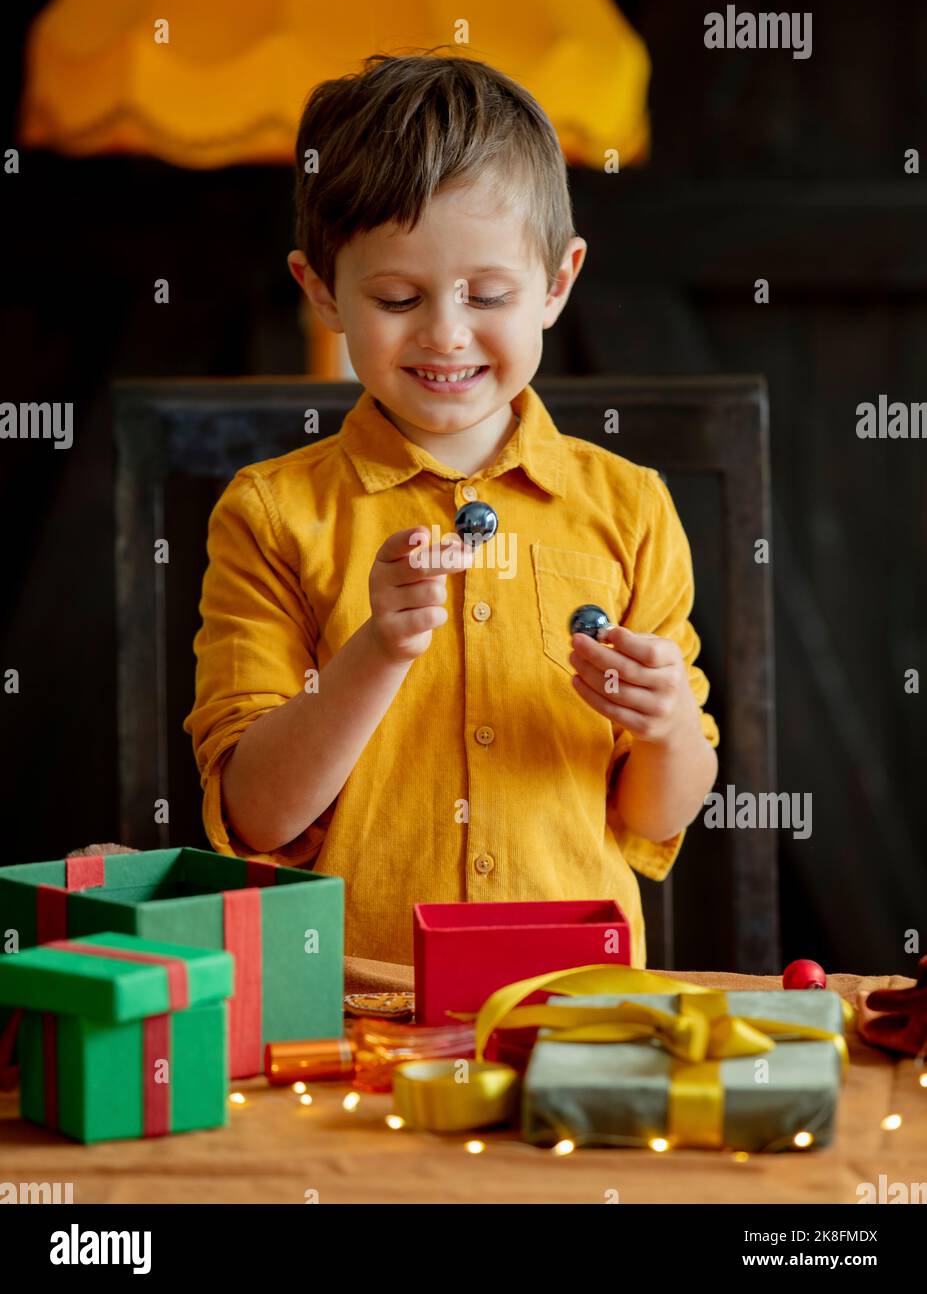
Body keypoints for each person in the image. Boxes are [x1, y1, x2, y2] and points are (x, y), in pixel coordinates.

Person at [183, 50, 719, 968]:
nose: (444, 332)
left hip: (574, 1006)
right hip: (350, 1007)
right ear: (321, 292)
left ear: (556, 284)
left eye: (490, 294)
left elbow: (657, 816)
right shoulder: (271, 515)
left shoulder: (628, 508)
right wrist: (376, 650)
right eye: (397, 297)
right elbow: (258, 816)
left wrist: (666, 725)